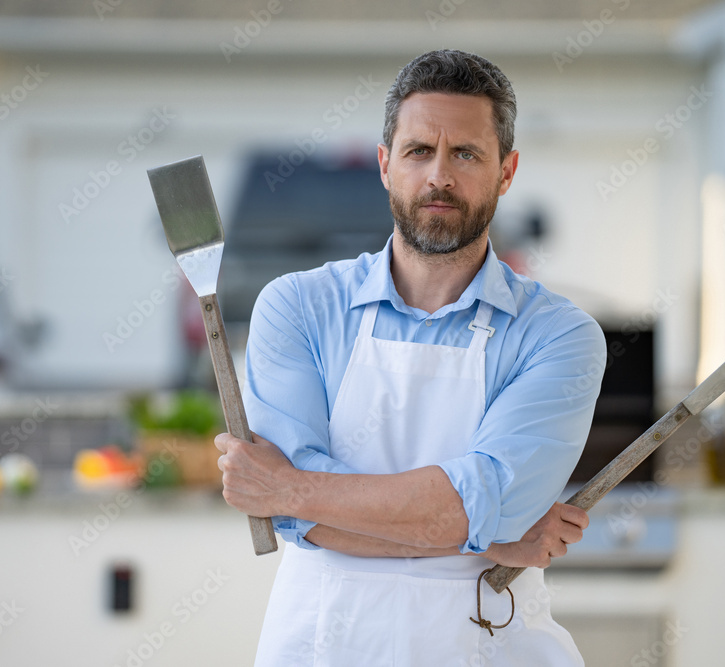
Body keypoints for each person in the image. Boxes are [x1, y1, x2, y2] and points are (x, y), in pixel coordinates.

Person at [215, 49, 606, 666]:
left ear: (507, 171)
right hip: (323, 645)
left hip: (488, 646)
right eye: (419, 151)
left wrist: (292, 489)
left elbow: (292, 501)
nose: (438, 177)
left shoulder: (559, 335)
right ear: (385, 164)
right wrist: (487, 536)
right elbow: (298, 523)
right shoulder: (297, 307)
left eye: (467, 154)